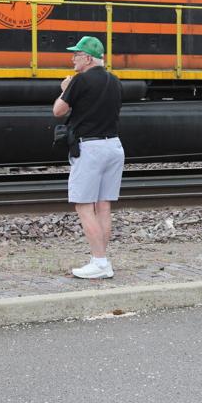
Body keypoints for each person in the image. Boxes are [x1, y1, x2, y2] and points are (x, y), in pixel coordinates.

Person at [52, 36, 124, 279]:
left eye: (77, 55)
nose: (73, 59)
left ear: (88, 58)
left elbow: (58, 111)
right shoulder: (114, 81)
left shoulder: (79, 81)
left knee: (84, 206)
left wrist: (64, 90)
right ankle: (102, 261)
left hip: (91, 149)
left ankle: (100, 262)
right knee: (103, 206)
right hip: (113, 146)